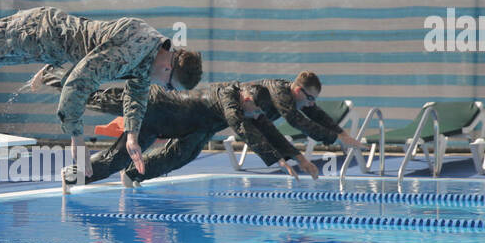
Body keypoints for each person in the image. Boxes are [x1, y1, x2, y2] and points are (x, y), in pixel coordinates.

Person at [0, 6, 202, 176]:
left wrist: (131, 135)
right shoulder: (133, 49)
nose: (163, 87)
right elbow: (80, 82)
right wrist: (76, 139)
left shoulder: (149, 52)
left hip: (46, 47)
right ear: (170, 65)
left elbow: (137, 90)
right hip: (35, 31)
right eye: (168, 84)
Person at [45, 74, 322, 184]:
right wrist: (274, 158)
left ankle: (131, 177)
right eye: (257, 111)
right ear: (247, 100)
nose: (260, 116)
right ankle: (54, 78)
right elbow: (241, 127)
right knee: (97, 100)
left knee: (179, 156)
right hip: (156, 107)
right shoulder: (229, 95)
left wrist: (295, 158)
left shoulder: (248, 105)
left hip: (191, 128)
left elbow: (265, 129)